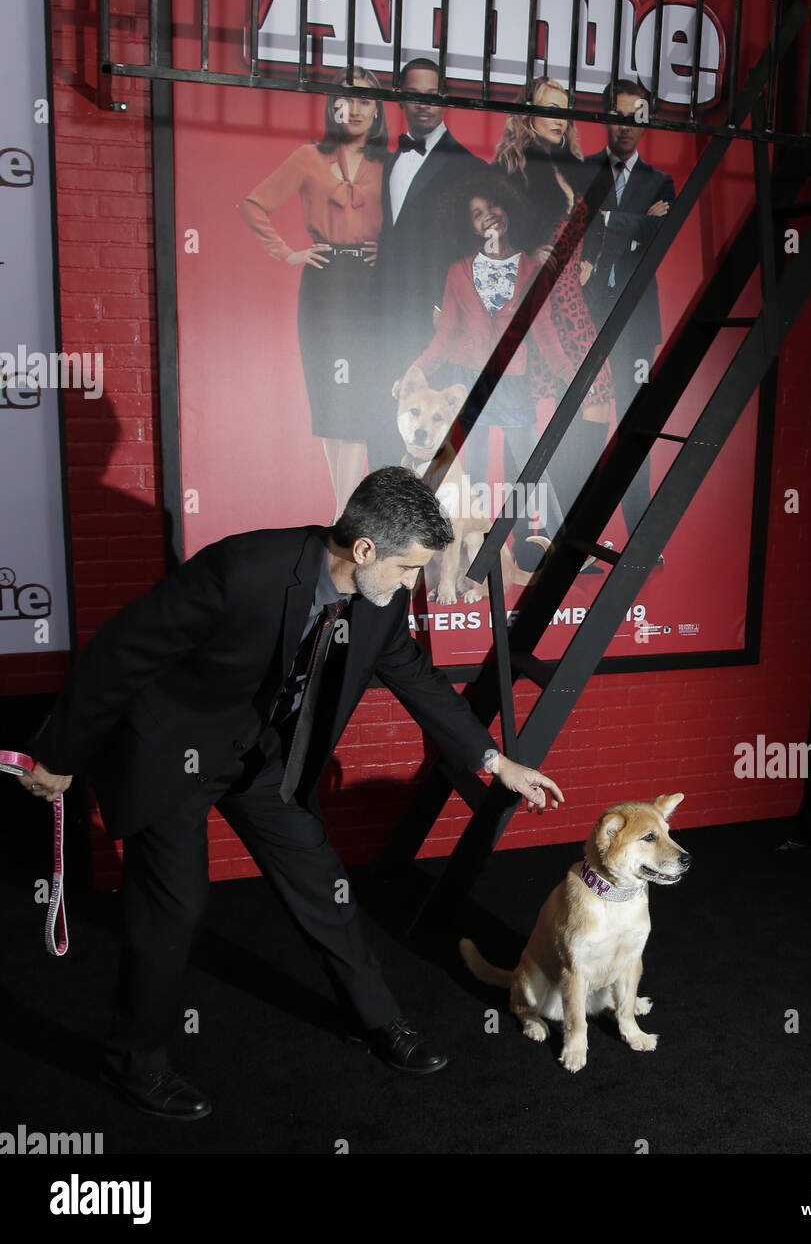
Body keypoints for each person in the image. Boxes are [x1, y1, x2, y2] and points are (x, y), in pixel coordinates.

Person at [23, 466, 564, 1119]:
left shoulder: (378, 604)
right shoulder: (242, 569)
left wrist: (494, 761)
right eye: (406, 568)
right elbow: (120, 651)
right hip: (174, 752)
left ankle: (375, 1022)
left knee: (322, 884)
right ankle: (132, 1063)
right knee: (176, 910)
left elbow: (418, 682)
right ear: (364, 549)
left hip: (265, 760)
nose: (412, 584)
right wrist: (57, 753)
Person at [240, 67, 387, 516]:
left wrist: (389, 251)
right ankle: (341, 513)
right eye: (346, 100)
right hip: (325, 285)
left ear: (378, 108)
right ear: (332, 108)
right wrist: (287, 253)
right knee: (331, 403)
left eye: (365, 100)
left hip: (370, 287)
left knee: (362, 400)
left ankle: (343, 516)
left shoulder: (391, 162)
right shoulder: (308, 157)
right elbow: (253, 205)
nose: (355, 109)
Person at [404, 174, 571, 550]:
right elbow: (444, 336)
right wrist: (416, 369)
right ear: (469, 226)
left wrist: (571, 375)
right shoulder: (458, 272)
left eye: (492, 206)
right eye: (477, 213)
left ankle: (564, 545)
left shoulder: (532, 269)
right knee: (467, 471)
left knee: (535, 469)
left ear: (507, 208)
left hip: (513, 383)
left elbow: (544, 332)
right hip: (468, 381)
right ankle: (458, 551)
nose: (488, 216)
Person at [492, 77, 614, 524]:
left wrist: (589, 262)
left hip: (569, 299)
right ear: (528, 114)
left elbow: (593, 223)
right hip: (534, 301)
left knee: (596, 397)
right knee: (526, 416)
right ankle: (532, 529)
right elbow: (492, 236)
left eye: (564, 109)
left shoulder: (573, 166)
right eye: (549, 108)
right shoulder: (512, 166)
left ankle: (565, 518)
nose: (559, 119)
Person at [373, 57, 484, 466]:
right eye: (416, 96)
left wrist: (455, 307)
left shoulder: (469, 167)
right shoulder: (387, 162)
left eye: (433, 96)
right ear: (402, 99)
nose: (425, 104)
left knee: (434, 427)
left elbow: (478, 249)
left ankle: (433, 516)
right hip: (385, 313)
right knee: (387, 415)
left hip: (437, 319)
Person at [580, 78, 675, 537]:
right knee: (584, 427)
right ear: (606, 118)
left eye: (637, 117)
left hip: (636, 325)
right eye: (619, 116)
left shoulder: (661, 182)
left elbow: (661, 236)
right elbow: (580, 231)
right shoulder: (582, 172)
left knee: (636, 427)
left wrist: (606, 221)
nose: (627, 127)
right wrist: (635, 225)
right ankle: (579, 531)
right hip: (585, 322)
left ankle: (638, 533)